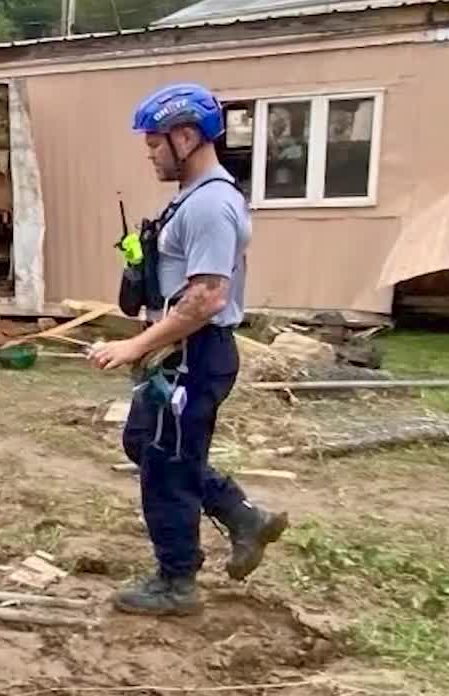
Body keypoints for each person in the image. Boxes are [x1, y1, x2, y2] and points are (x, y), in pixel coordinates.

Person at [89, 84, 289, 616]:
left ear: (186, 136)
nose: (151, 153)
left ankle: (176, 582)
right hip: (178, 353)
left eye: (155, 143)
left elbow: (205, 298)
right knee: (145, 443)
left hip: (193, 355)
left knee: (166, 464)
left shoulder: (212, 206)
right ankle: (242, 514)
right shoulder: (193, 199)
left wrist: (136, 344)